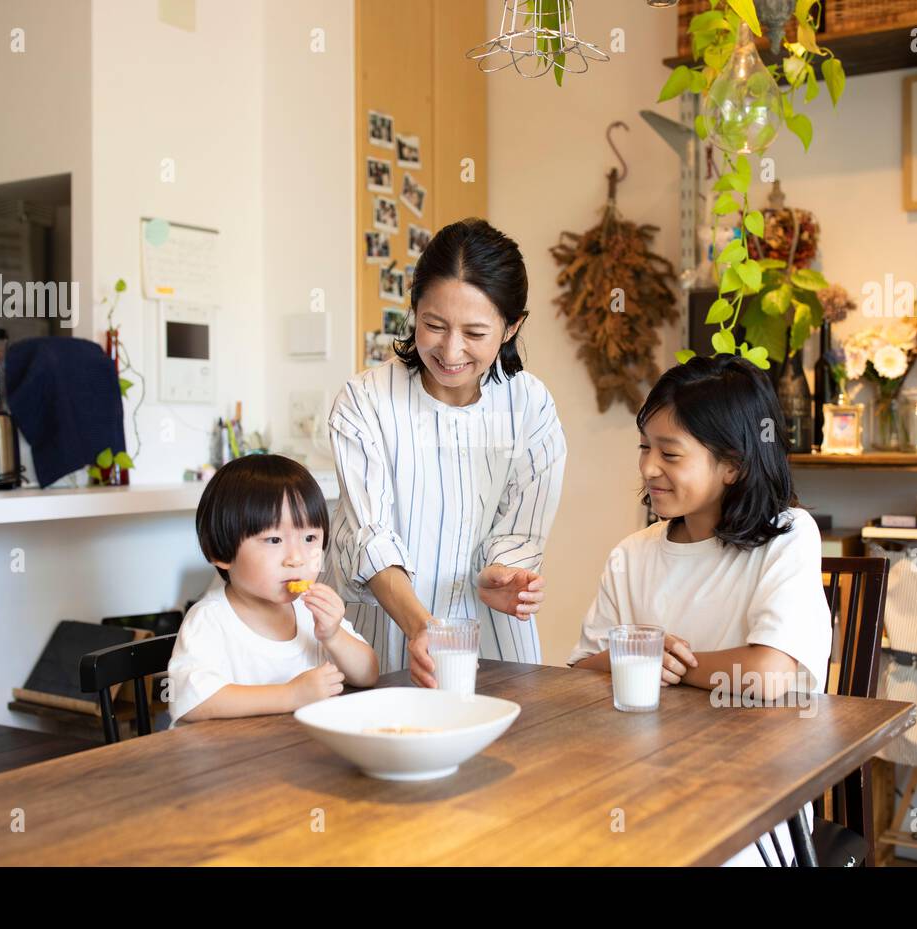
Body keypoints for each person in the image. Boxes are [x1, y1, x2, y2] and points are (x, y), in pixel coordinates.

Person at [568, 355, 830, 866]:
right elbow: (581, 668)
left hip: (756, 794)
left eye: (670, 453)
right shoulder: (633, 554)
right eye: (645, 447)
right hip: (642, 776)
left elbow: (769, 674)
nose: (647, 468)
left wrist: (660, 663)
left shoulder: (789, 535)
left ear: (733, 464)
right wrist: (637, 655)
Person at [323, 218, 567, 685]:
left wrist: (503, 576)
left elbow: (519, 534)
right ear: (414, 309)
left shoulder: (529, 405)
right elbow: (369, 537)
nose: (451, 350)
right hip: (384, 645)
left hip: (494, 649)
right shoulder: (365, 401)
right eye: (434, 325)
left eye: (475, 333)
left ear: (512, 326)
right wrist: (421, 626)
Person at [168, 455, 378, 724]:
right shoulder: (210, 620)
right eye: (274, 539)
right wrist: (290, 695)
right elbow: (191, 701)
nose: (296, 558)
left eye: (310, 538)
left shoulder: (307, 608)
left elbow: (368, 674)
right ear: (220, 551)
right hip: (231, 760)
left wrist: (334, 635)